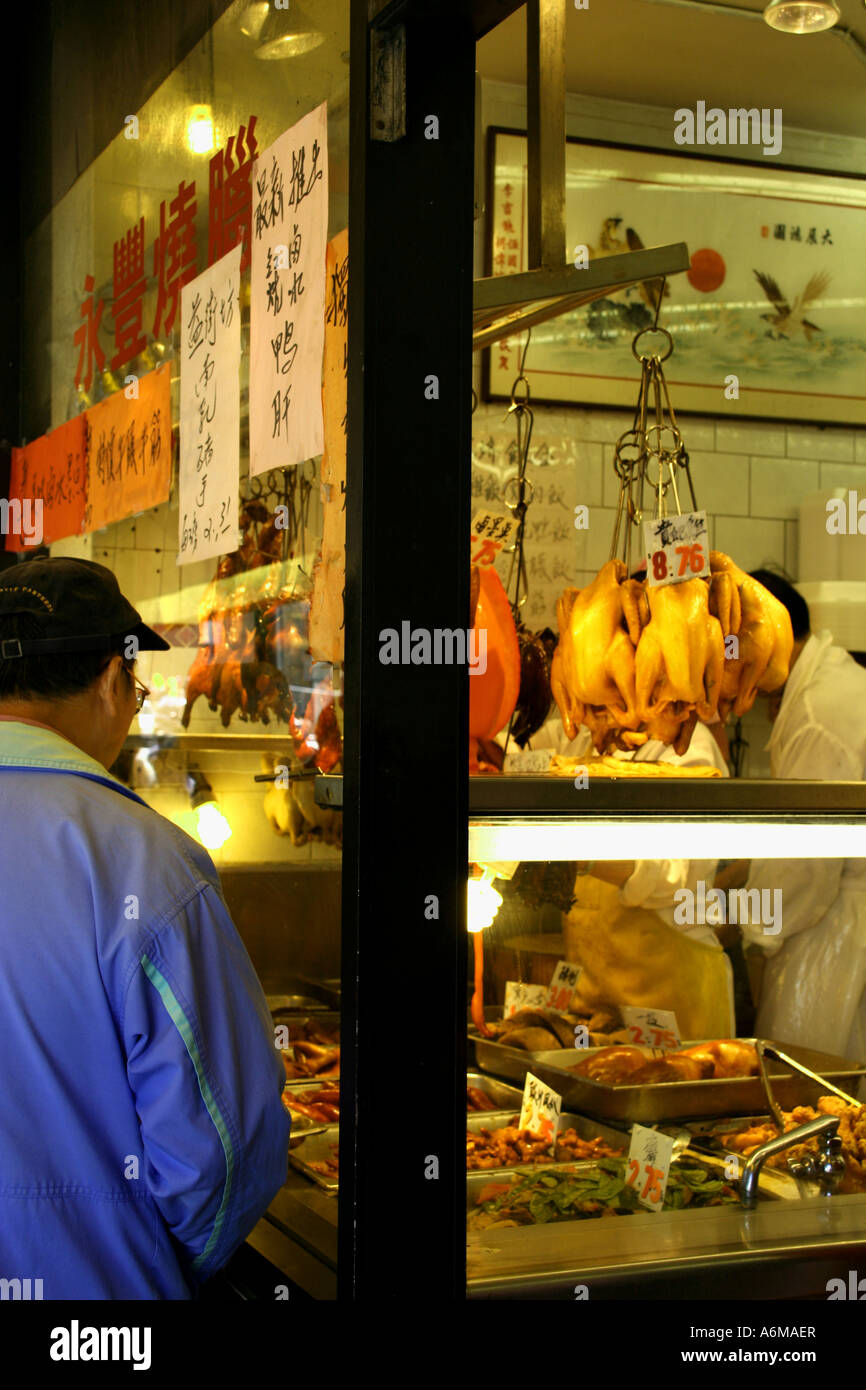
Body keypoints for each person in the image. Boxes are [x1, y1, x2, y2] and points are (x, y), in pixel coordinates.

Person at [0, 558, 290, 1299]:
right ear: (108, 680)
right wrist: (152, 1267)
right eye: (135, 687)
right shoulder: (145, 864)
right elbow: (223, 1152)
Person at [737, 571, 866, 1061]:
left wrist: (754, 933)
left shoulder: (816, 712)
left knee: (810, 1101)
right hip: (835, 919)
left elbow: (806, 861)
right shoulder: (832, 679)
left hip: (833, 935)